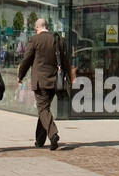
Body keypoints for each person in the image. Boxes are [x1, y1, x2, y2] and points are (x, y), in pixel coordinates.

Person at [17, 18, 75, 151]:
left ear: (37, 28)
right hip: (54, 81)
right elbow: (65, 61)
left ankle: (53, 134)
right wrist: (69, 77)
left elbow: (26, 60)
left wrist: (20, 75)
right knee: (44, 109)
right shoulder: (58, 40)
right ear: (46, 26)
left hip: (40, 81)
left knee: (43, 109)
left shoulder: (34, 40)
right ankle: (39, 140)